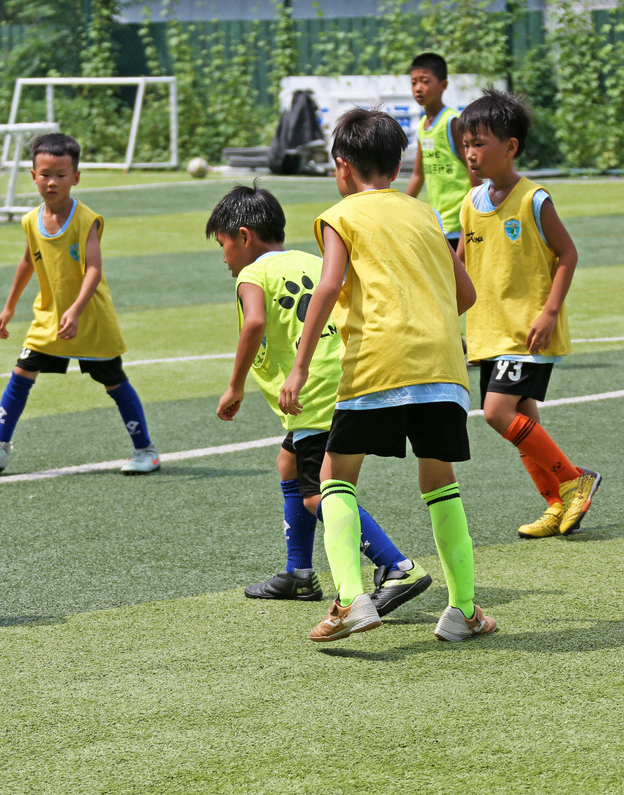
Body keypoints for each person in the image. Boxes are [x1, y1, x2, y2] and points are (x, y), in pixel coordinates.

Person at [278, 107, 496, 643]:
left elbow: (327, 288)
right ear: (398, 167)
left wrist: (300, 366)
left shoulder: (340, 216)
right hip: (442, 365)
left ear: (342, 166)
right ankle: (464, 611)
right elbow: (465, 293)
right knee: (439, 480)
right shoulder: (423, 214)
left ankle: (351, 600)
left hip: (377, 361)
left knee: (334, 474)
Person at [206, 184, 432, 614]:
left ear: (244, 236)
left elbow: (253, 323)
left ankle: (397, 566)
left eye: (223, 245)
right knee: (288, 462)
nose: (224, 258)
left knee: (319, 493)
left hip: (314, 391)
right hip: (347, 377)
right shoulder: (315, 261)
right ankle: (299, 573)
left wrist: (234, 386)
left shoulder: (252, 275)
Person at [0, 133, 159, 475]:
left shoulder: (87, 220)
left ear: (76, 177)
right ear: (33, 175)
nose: (52, 182)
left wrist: (77, 309)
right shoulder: (30, 221)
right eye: (45, 174)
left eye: (61, 175)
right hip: (50, 317)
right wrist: (9, 306)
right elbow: (28, 262)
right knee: (22, 371)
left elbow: (94, 269)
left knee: (113, 381)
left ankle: (146, 451)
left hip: (90, 319)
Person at [457, 89, 602, 539]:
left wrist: (550, 312)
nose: (471, 153)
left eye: (479, 143)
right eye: (466, 143)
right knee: (525, 422)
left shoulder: (533, 199)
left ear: (511, 147)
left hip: (526, 334)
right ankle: (557, 503)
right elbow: (459, 266)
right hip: (490, 333)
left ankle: (575, 478)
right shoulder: (469, 203)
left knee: (497, 412)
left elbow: (567, 253)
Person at [405, 52, 480, 252]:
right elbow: (418, 175)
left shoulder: (452, 121)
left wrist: (474, 215)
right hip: (439, 223)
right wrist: (400, 207)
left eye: (425, 81)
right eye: (414, 82)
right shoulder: (422, 126)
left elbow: (473, 168)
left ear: (443, 85)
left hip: (461, 224)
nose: (418, 88)